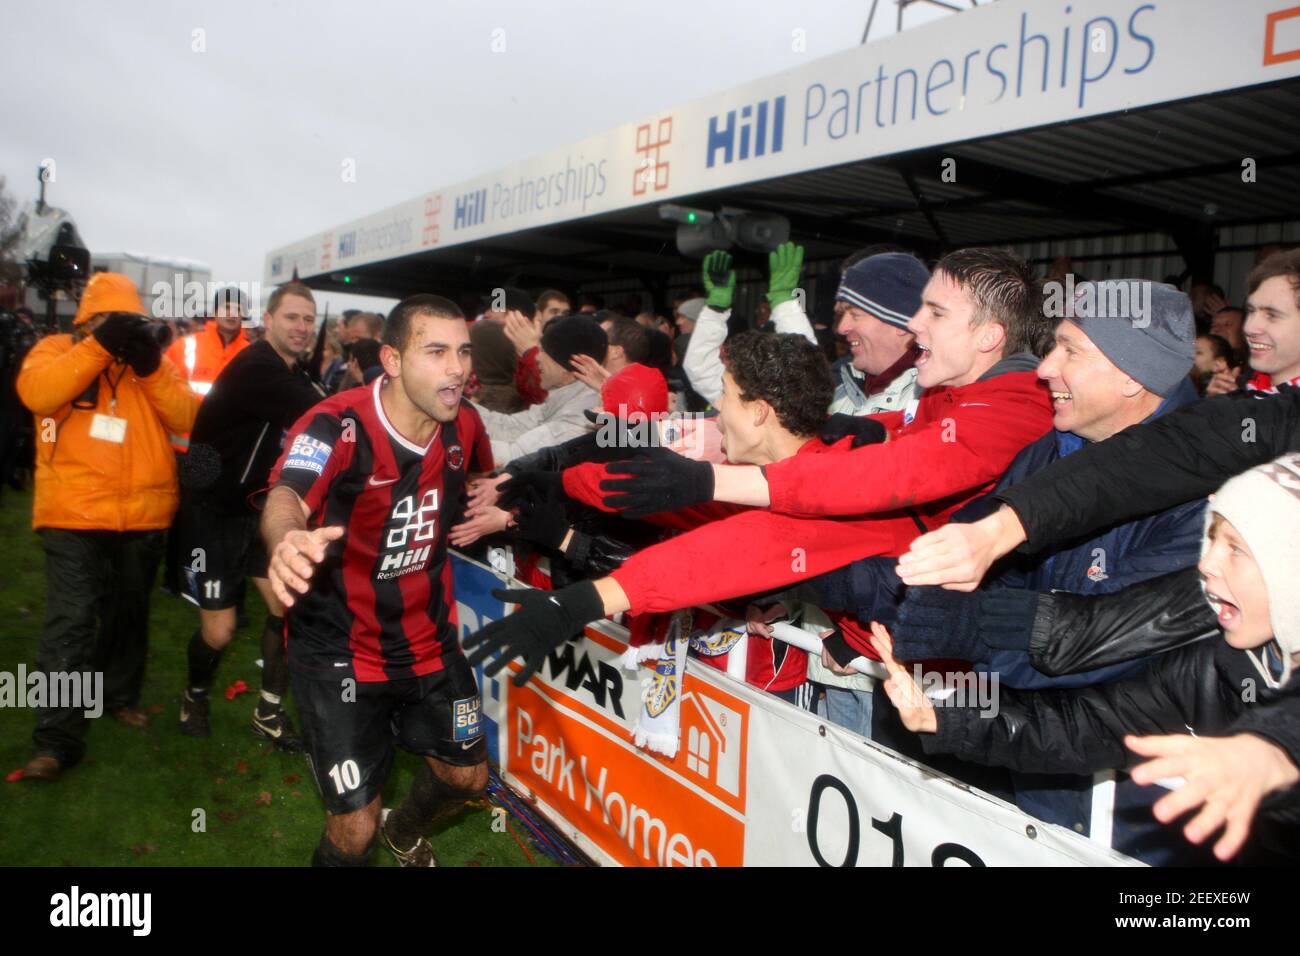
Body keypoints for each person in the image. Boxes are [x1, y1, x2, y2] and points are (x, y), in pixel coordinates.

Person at [466, 249, 1056, 682]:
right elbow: (665, 490)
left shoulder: (1010, 411)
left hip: (955, 682)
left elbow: (859, 490)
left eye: (935, 312)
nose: (916, 324)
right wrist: (554, 477)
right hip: (887, 655)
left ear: (989, 337)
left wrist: (587, 598)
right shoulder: (953, 401)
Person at [876, 282, 1204, 857]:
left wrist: (974, 647)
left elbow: (1123, 642)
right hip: (1033, 767)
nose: (1045, 368)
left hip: (1137, 810)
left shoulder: (1206, 489)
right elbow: (991, 572)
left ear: (1133, 377)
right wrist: (899, 597)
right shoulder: (1048, 452)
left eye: (1070, 351)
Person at [875, 453, 1300, 863]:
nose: (1206, 564)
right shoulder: (1210, 659)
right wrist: (946, 709)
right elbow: (1081, 722)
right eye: (1210, 539)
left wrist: (1272, 753)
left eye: (1236, 549)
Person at [262, 294, 491, 866]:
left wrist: (500, 505)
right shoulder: (334, 423)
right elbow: (287, 493)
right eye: (436, 351)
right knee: (353, 828)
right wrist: (288, 537)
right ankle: (374, 828)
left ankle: (407, 828)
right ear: (391, 360)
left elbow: (481, 480)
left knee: (468, 779)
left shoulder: (465, 422)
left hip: (428, 640)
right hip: (338, 648)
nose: (457, 368)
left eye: (462, 351)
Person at [15, 273, 200, 780]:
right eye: (105, 322)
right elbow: (38, 395)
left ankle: (116, 697)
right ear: (87, 321)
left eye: (122, 322)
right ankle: (56, 739)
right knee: (70, 624)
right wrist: (97, 347)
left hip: (142, 515)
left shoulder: (150, 365)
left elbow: (187, 415)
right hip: (72, 514)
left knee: (127, 619)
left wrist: (150, 364)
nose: (116, 332)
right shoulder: (56, 349)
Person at [174, 282, 326, 749]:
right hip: (213, 514)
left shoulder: (288, 370)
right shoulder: (259, 367)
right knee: (218, 632)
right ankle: (194, 696)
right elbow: (322, 411)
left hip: (257, 511)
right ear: (269, 319)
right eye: (292, 318)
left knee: (289, 607)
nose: (301, 328)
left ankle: (268, 713)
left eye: (308, 320)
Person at [471, 314, 606, 461]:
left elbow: (514, 456)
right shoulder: (564, 395)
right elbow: (510, 427)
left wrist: (454, 443)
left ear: (569, 367)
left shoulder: (582, 417)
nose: (536, 357)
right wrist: (458, 406)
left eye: (544, 351)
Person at [164, 287, 250, 402]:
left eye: (238, 310)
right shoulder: (184, 346)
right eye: (227, 307)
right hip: (189, 418)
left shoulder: (251, 353)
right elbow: (165, 385)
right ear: (214, 312)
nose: (232, 314)